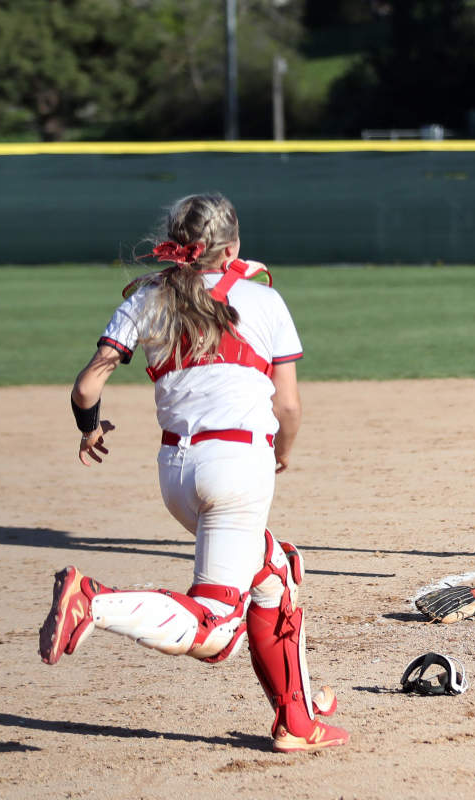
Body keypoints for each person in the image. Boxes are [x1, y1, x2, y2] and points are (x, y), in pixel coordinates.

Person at [38, 193, 349, 753]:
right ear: (231, 249)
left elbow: (87, 388)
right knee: (215, 629)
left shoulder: (146, 300)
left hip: (176, 473)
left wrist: (90, 426)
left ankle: (297, 721)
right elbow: (290, 409)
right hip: (237, 467)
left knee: (276, 570)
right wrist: (283, 451)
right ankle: (94, 602)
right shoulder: (263, 301)